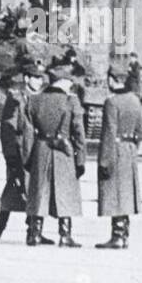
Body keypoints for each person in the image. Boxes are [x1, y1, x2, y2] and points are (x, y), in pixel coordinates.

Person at [24, 60, 87, 247]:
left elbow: (28, 133)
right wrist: (81, 159)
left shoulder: (34, 100)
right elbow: (79, 133)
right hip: (64, 151)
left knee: (39, 192)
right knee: (65, 192)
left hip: (41, 149)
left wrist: (28, 159)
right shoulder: (71, 101)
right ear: (63, 82)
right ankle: (65, 235)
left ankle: (35, 234)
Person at [0, 65, 51, 244]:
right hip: (20, 152)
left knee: (37, 191)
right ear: (26, 78)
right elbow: (8, 130)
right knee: (13, 191)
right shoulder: (16, 98)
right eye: (35, 77)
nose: (38, 81)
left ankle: (34, 231)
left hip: (37, 152)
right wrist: (11, 158)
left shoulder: (42, 99)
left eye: (41, 78)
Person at [95, 59, 142, 250]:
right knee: (126, 193)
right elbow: (141, 130)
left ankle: (116, 234)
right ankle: (124, 234)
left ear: (112, 79)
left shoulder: (111, 102)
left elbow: (109, 132)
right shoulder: (135, 100)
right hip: (129, 150)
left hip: (115, 149)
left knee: (115, 192)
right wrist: (132, 147)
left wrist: (104, 160)